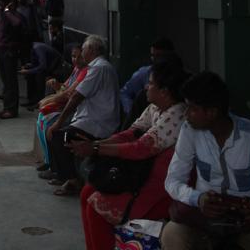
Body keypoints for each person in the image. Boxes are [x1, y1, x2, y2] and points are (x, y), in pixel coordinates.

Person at [73, 60, 189, 250]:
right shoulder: (155, 108)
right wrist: (97, 144)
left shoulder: (177, 113)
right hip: (143, 174)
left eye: (150, 83)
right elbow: (131, 133)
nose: (146, 87)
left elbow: (140, 148)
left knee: (97, 208)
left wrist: (95, 149)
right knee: (87, 192)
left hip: (161, 186)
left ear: (164, 92)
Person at [162, 71, 250, 249]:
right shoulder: (189, 131)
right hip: (205, 221)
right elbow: (173, 180)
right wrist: (198, 198)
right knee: (172, 234)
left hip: (245, 224)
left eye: (192, 108)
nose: (186, 114)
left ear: (212, 113)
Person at [47, 34, 121, 196]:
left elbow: (76, 96)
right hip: (91, 119)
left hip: (98, 123)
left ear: (92, 50)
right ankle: (63, 174)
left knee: (59, 136)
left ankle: (73, 180)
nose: (82, 52)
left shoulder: (99, 68)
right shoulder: (99, 67)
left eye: (84, 49)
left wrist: (59, 122)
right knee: (58, 130)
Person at [36, 45, 88, 178]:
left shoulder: (86, 72)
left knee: (49, 125)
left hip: (74, 111)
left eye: (79, 57)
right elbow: (64, 87)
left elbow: (68, 94)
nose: (76, 60)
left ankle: (55, 168)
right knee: (41, 120)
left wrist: (47, 100)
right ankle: (48, 160)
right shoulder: (76, 69)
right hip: (65, 106)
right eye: (73, 56)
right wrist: (56, 85)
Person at [119, 38, 177, 122]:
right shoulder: (144, 73)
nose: (155, 59)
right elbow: (125, 93)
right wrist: (131, 111)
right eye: (153, 55)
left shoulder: (180, 75)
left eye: (159, 56)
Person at [0, 0, 25, 119]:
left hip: (9, 51)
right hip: (1, 50)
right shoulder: (0, 15)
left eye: (2, 4)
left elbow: (17, 24)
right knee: (5, 81)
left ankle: (11, 109)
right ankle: (6, 107)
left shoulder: (13, 15)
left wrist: (7, 11)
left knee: (11, 81)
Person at [20, 41, 61, 109]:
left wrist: (28, 71)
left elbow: (42, 66)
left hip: (56, 67)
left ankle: (39, 101)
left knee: (39, 76)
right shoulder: (34, 48)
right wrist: (28, 66)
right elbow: (37, 63)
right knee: (31, 74)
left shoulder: (37, 48)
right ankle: (32, 99)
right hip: (49, 65)